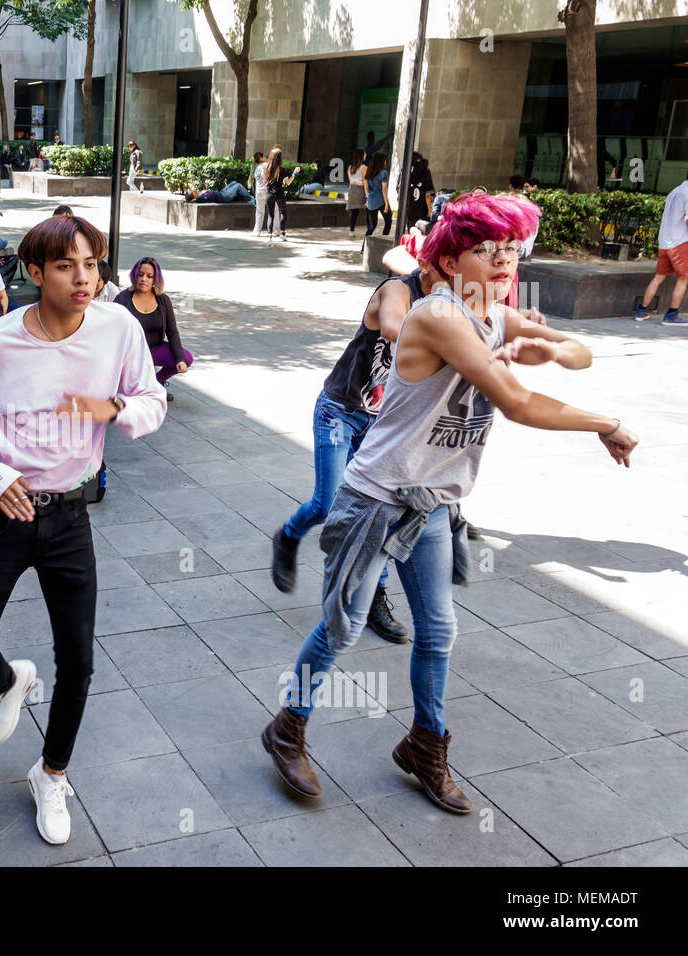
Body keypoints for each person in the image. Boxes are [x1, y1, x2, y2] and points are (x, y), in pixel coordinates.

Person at [262, 193, 638, 814]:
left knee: (438, 630)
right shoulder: (437, 315)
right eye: (486, 250)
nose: (502, 261)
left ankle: (425, 745)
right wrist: (605, 422)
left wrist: (552, 348)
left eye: (512, 249)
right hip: (375, 499)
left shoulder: (496, 312)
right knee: (341, 628)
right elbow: (516, 403)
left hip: (431, 503)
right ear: (449, 257)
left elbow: (580, 349)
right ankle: (286, 727)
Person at [0, 214, 166, 845]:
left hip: (69, 515)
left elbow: (154, 397)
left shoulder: (119, 326)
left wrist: (113, 407)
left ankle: (52, 775)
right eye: (67, 266)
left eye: (91, 264)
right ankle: (10, 681)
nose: (84, 278)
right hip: (4, 512)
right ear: (34, 273)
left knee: (80, 661)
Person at [269, 267, 435, 644]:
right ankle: (288, 536)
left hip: (383, 423)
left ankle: (375, 596)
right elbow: (393, 327)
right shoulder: (397, 289)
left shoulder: (447, 304)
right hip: (340, 410)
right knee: (328, 504)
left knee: (382, 512)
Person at [114, 257, 192, 401]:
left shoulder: (163, 300)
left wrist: (179, 359)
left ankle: (156, 382)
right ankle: (134, 387)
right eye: (140, 274)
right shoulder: (122, 299)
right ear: (134, 275)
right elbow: (112, 334)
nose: (144, 279)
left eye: (149, 276)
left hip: (154, 350)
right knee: (130, 393)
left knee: (186, 357)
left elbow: (172, 331)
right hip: (130, 354)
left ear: (155, 279)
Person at [634, 171, 688, 324]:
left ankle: (641, 311)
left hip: (665, 242)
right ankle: (671, 315)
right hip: (680, 242)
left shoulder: (675, 191)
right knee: (683, 279)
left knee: (658, 277)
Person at [262, 148, 297, 239]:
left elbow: (265, 182)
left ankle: (269, 234)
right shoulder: (282, 169)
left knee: (270, 215)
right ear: (280, 158)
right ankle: (282, 233)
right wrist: (295, 173)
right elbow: (288, 182)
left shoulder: (267, 168)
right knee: (283, 212)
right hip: (279, 193)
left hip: (269, 194)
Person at [405, 152, 435, 233]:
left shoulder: (410, 178)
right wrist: (430, 209)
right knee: (422, 230)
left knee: (411, 229)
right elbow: (428, 196)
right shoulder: (426, 179)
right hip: (422, 209)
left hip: (411, 208)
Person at [364, 153, 391, 236]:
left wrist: (367, 199)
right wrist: (386, 203)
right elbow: (384, 189)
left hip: (371, 202)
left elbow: (365, 186)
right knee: (388, 222)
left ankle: (364, 245)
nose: (386, 162)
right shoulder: (384, 173)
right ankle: (384, 240)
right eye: (385, 160)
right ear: (382, 162)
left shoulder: (368, 171)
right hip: (381, 201)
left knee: (372, 226)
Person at [346, 148, 368, 234]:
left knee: (354, 212)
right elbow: (365, 182)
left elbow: (350, 181)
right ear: (361, 156)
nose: (366, 155)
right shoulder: (364, 168)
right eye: (365, 154)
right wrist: (367, 195)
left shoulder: (350, 167)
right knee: (368, 210)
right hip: (360, 190)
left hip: (352, 190)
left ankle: (351, 231)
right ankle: (369, 230)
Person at [249, 151, 268, 235]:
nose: (265, 158)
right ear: (261, 158)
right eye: (264, 156)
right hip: (267, 191)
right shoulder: (265, 166)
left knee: (259, 212)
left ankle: (257, 231)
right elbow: (265, 177)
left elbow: (253, 184)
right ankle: (274, 230)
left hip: (258, 192)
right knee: (273, 211)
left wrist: (254, 198)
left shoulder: (255, 167)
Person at [185, 182, 253, 203]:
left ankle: (242, 197)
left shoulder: (198, 195)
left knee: (234, 182)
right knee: (238, 186)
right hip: (224, 197)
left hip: (221, 192)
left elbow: (188, 198)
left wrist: (186, 199)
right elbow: (193, 190)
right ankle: (249, 199)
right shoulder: (199, 198)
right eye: (191, 192)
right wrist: (190, 185)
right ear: (193, 195)